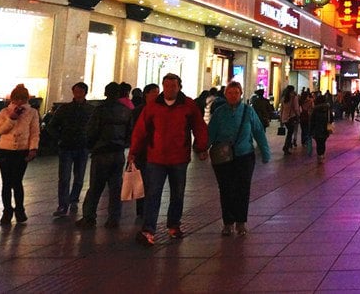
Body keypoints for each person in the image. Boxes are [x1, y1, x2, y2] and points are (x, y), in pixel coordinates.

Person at [128, 73, 209, 246]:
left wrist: (202, 147)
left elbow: (199, 126)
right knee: (153, 194)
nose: (169, 89)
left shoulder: (188, 105)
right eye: (166, 86)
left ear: (179, 87)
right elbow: (141, 130)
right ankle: (148, 230)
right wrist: (134, 150)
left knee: (177, 194)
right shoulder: (153, 106)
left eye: (173, 86)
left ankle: (174, 225)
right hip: (156, 157)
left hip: (179, 158)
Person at [208, 82, 270, 236]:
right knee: (226, 189)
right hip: (223, 157)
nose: (233, 96)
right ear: (225, 95)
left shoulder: (248, 111)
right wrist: (203, 148)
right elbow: (211, 132)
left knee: (243, 189)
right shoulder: (219, 112)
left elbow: (258, 131)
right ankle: (228, 223)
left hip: (244, 155)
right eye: (230, 93)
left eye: (236, 93)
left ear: (241, 94)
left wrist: (265, 152)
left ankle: (241, 222)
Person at [76, 82, 132, 228]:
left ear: (106, 93)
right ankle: (114, 218)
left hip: (101, 151)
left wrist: (91, 146)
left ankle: (89, 217)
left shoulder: (100, 110)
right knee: (115, 188)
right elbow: (130, 133)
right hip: (118, 152)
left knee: (95, 187)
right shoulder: (126, 111)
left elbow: (91, 131)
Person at [0, 84, 40, 225]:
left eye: (22, 99)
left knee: (17, 181)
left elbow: (35, 132)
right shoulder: (5, 112)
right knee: (6, 182)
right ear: (12, 99)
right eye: (16, 99)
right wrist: (12, 118)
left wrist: (33, 149)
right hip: (5, 149)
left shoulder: (32, 113)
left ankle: (20, 210)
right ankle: (7, 211)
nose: (19, 102)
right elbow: (0, 130)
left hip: (22, 150)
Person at [48, 81, 93, 218]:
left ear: (85, 93)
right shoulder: (65, 109)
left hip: (82, 146)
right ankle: (64, 203)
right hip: (67, 146)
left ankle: (73, 199)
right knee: (65, 177)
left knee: (79, 177)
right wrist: (60, 138)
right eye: (76, 91)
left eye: (80, 91)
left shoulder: (90, 110)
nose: (78, 94)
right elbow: (52, 126)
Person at [131, 83, 158, 219]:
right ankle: (141, 209)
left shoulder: (159, 109)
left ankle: (148, 208)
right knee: (140, 180)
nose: (156, 95)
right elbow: (133, 131)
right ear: (146, 94)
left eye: (157, 92)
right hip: (141, 151)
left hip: (155, 150)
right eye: (154, 92)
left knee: (152, 181)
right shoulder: (138, 111)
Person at [310, 93, 332, 163]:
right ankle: (322, 154)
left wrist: (311, 129)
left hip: (317, 128)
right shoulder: (327, 109)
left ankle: (319, 155)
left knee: (318, 142)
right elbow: (331, 118)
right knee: (323, 142)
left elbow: (312, 120)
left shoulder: (315, 109)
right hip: (325, 128)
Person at [279, 85, 301, 155]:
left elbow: (281, 109)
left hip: (284, 117)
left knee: (290, 132)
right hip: (291, 117)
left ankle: (287, 145)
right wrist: (298, 115)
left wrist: (281, 119)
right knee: (290, 133)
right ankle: (286, 146)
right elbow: (296, 108)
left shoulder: (284, 98)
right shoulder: (294, 98)